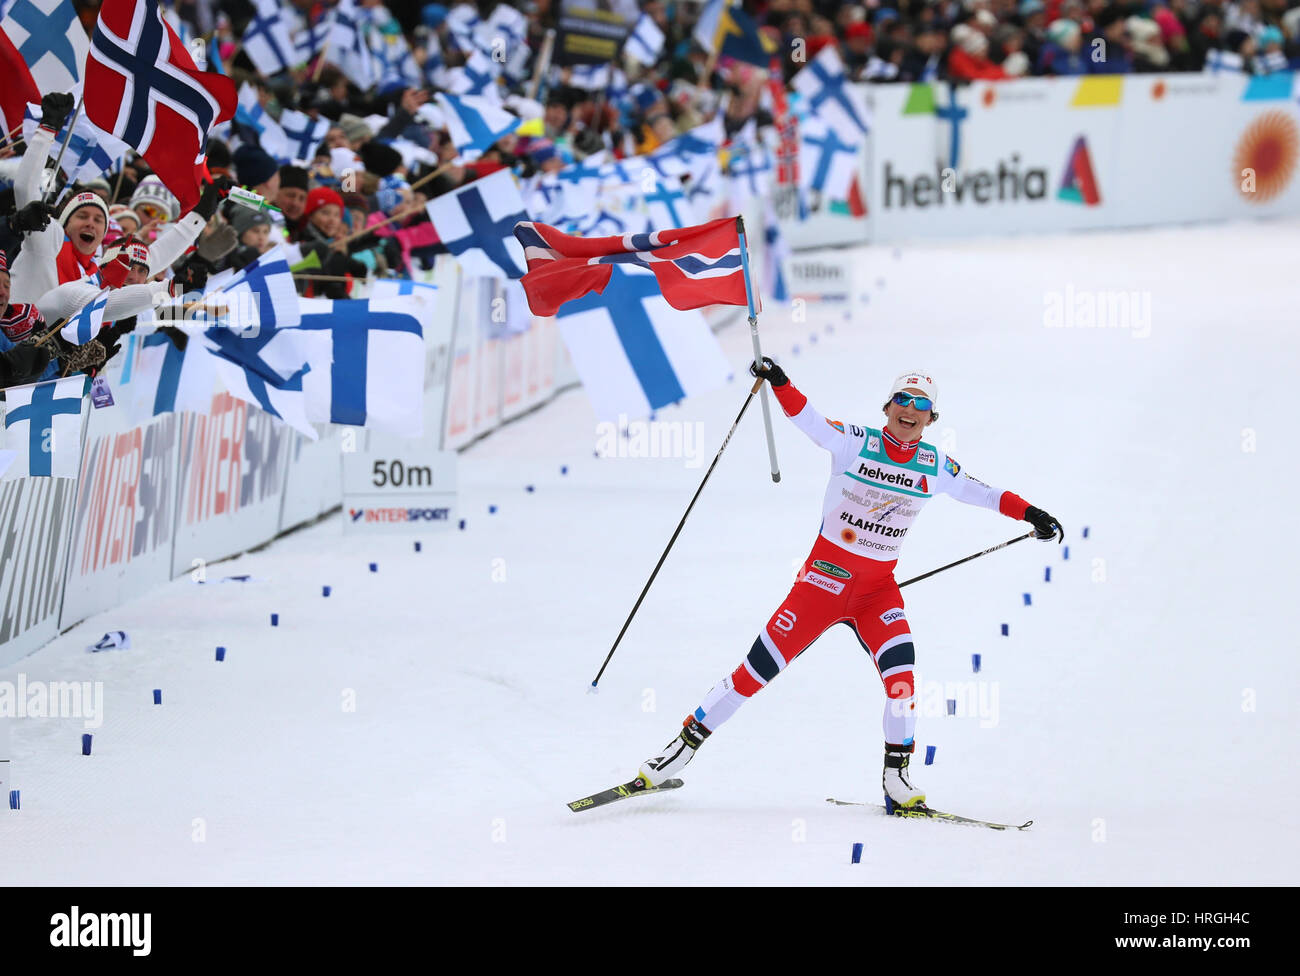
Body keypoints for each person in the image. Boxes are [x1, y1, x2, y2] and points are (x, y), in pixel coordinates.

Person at [637, 361, 1063, 811]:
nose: (910, 410)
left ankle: (897, 778)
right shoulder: (855, 443)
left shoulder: (934, 465)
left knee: (902, 679)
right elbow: (810, 422)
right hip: (820, 585)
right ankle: (678, 752)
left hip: (877, 594)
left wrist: (1031, 513)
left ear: (931, 420)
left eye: (922, 405)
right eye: (903, 400)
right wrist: (781, 383)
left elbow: (986, 493)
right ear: (888, 407)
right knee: (754, 672)